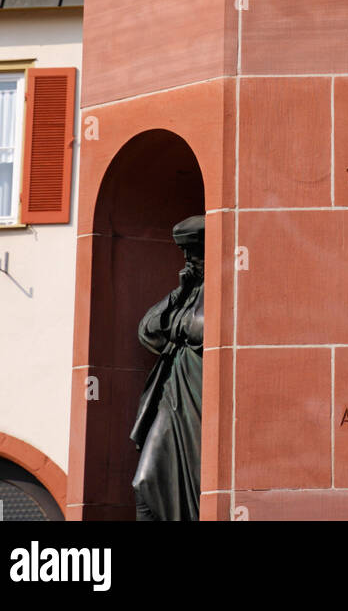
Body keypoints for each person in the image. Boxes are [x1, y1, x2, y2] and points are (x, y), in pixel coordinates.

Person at [130, 216, 204, 521]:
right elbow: (147, 332)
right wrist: (179, 293)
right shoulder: (187, 292)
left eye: (193, 251)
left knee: (196, 486)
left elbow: (203, 330)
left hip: (196, 397)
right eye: (184, 253)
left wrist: (179, 324)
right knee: (144, 484)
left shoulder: (224, 287)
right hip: (171, 399)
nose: (187, 260)